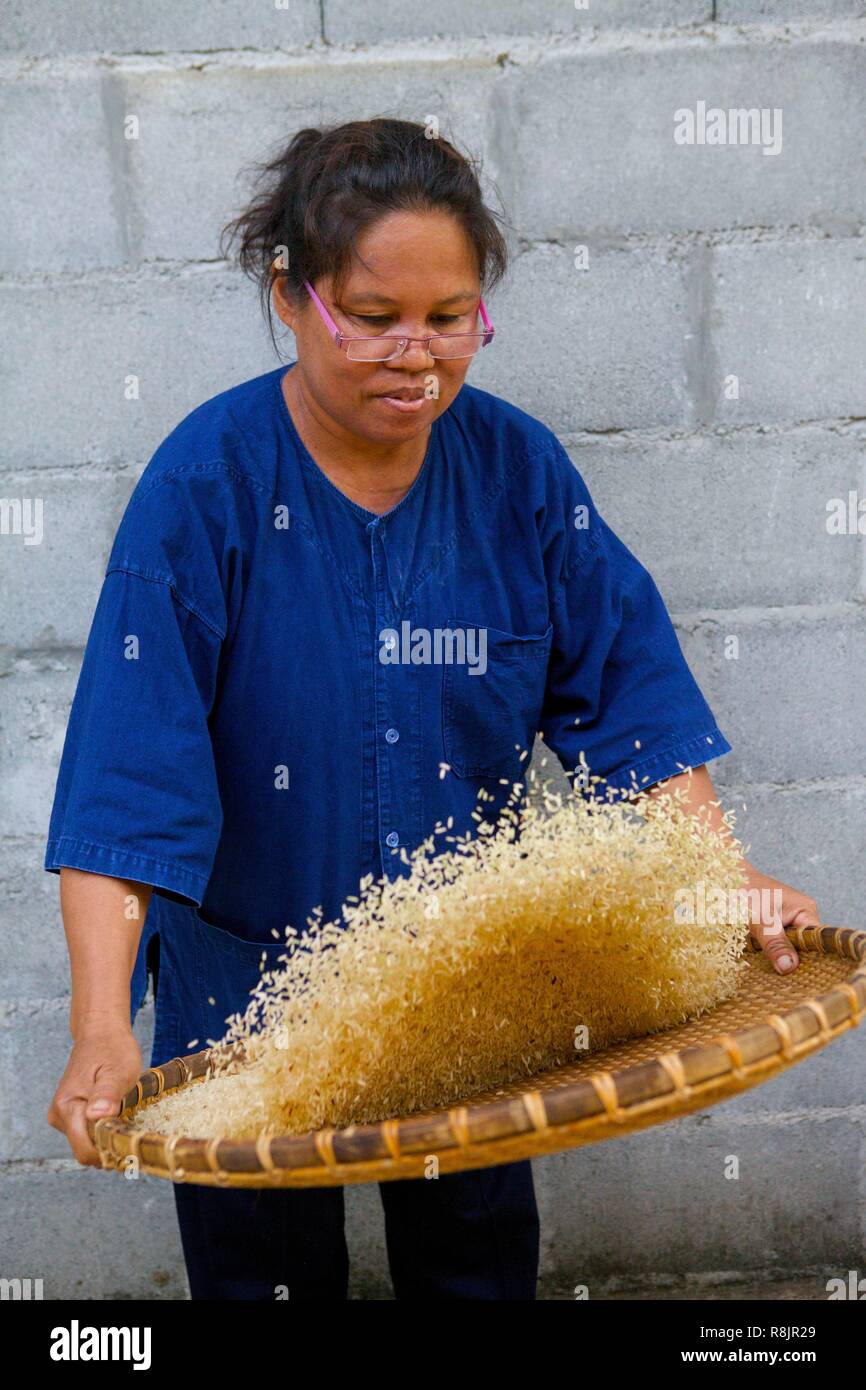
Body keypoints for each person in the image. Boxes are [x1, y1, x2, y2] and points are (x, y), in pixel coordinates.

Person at [45, 117, 821, 1301]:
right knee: (263, 1279)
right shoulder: (204, 486)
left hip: (466, 981)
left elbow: (632, 704)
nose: (415, 355)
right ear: (290, 297)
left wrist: (716, 878)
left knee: (473, 1271)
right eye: (371, 316)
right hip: (242, 994)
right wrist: (102, 1020)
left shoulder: (518, 475)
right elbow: (126, 778)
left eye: (449, 317)